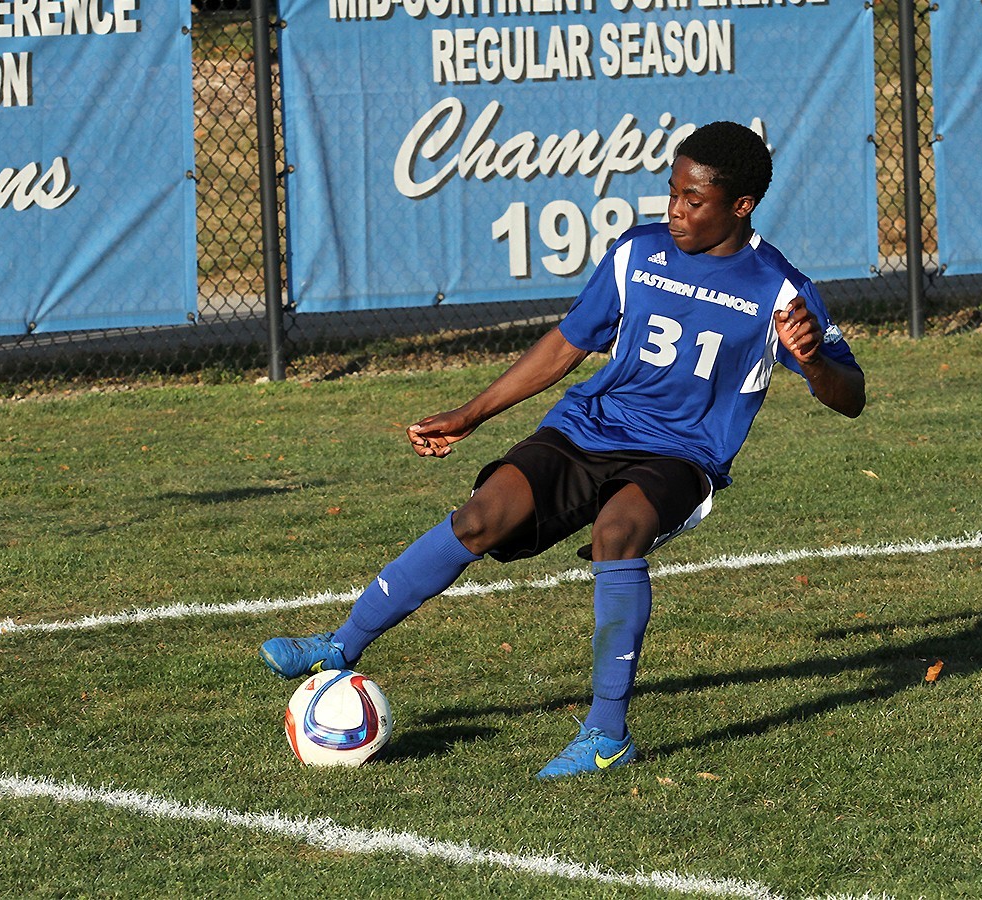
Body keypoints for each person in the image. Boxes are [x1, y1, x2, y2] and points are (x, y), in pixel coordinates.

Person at [260, 121, 866, 779]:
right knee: (480, 516)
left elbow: (849, 393)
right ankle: (338, 647)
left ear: (740, 205)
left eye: (694, 200)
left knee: (618, 532)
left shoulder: (780, 288)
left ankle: (607, 735)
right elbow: (566, 343)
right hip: (590, 428)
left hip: (682, 455)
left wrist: (812, 358)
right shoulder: (638, 252)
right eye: (672, 193)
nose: (676, 210)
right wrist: (472, 413)